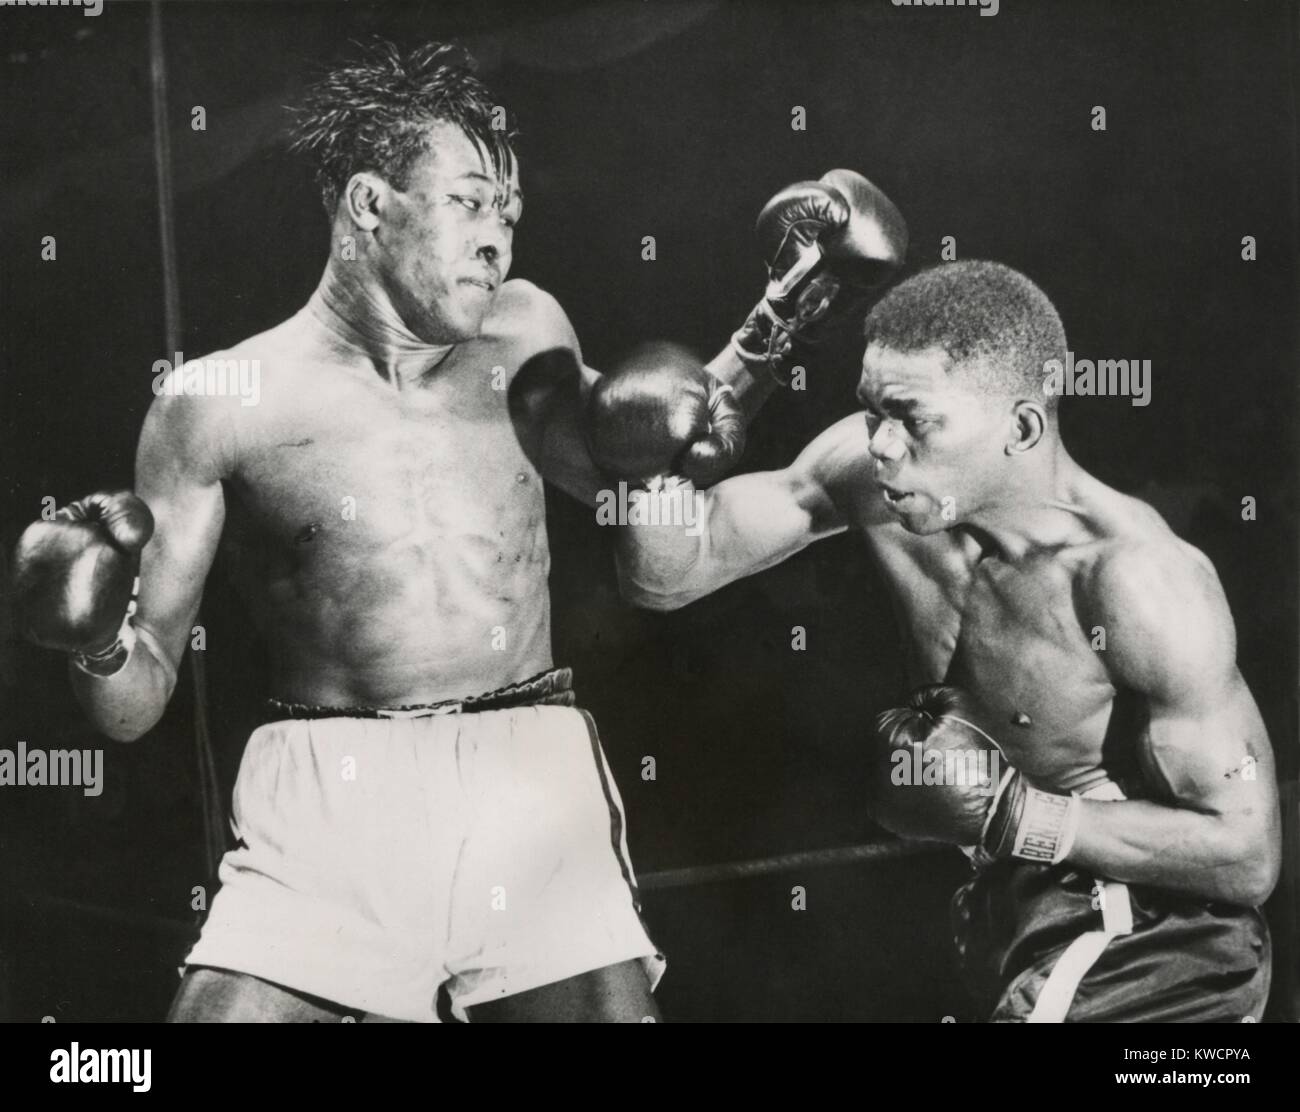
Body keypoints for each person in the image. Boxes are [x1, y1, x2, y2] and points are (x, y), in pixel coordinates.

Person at [10, 39, 906, 1022]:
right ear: (368, 205)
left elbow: (640, 453)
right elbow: (136, 704)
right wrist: (97, 641)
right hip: (326, 793)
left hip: (524, 763)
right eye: (470, 202)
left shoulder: (521, 332)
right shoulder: (218, 402)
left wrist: (782, 314)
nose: (499, 239)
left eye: (510, 213)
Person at [611, 260, 1282, 1021]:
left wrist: (1014, 816)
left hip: (1152, 944)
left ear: (1022, 427)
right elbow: (670, 577)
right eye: (871, 412)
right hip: (1017, 930)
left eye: (911, 418)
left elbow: (1245, 853)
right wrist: (651, 473)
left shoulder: (1137, 581)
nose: (884, 445)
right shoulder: (870, 474)